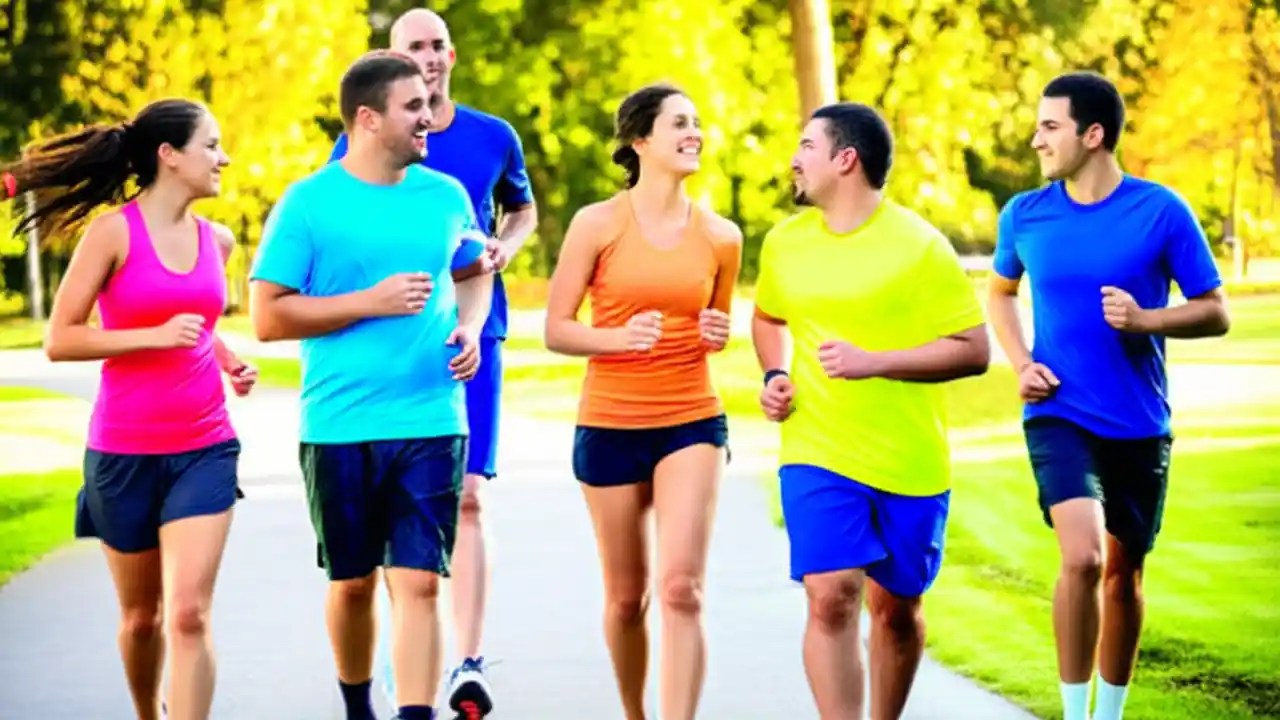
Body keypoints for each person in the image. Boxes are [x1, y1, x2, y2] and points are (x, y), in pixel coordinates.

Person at [249, 50, 492, 720]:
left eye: (429, 104)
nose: (429, 118)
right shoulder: (308, 203)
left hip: (432, 418)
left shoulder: (445, 196)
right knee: (353, 585)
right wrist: (369, 301)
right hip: (340, 425)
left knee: (418, 583)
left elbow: (475, 272)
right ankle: (358, 709)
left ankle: (416, 712)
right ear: (366, 118)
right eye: (413, 107)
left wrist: (470, 331)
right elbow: (268, 316)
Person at [2, 98, 257, 720]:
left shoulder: (216, 240)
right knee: (142, 620)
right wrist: (149, 337)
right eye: (211, 145)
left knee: (189, 614)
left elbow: (193, 327)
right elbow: (61, 337)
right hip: (123, 453)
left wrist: (226, 361)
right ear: (170, 156)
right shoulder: (113, 233)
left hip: (204, 447)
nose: (224, 158)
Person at [987, 71, 1230, 720]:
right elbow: (1000, 294)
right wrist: (1020, 361)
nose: (1035, 139)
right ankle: (1075, 715)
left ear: (1093, 135)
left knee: (1125, 573)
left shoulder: (1160, 211)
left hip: (1139, 419)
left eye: (1049, 126)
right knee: (1086, 556)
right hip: (1058, 411)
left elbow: (1215, 311)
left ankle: (1108, 714)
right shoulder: (1025, 215)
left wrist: (1147, 320)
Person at [752, 102, 990, 720]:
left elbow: (973, 350)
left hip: (907, 460)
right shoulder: (785, 243)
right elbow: (768, 318)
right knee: (831, 597)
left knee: (897, 609)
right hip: (816, 449)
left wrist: (875, 360)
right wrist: (776, 372)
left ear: (845, 159)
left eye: (807, 146)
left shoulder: (920, 246)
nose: (794, 159)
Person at [329, 12, 537, 713]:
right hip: (389, 341)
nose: (427, 59)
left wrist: (505, 244)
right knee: (393, 512)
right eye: (411, 49)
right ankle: (409, 650)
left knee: (470, 494)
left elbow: (522, 209)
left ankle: (466, 663)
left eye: (434, 46)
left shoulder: (492, 136)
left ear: (451, 53)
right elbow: (340, 215)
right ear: (391, 61)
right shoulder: (359, 139)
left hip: (474, 331)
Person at [543, 82, 743, 720]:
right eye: (680, 123)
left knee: (681, 589)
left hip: (690, 417)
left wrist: (719, 332)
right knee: (627, 599)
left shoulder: (721, 236)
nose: (694, 133)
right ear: (640, 140)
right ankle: (635, 711)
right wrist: (617, 338)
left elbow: (717, 324)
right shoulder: (596, 224)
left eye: (697, 122)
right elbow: (557, 328)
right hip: (610, 422)